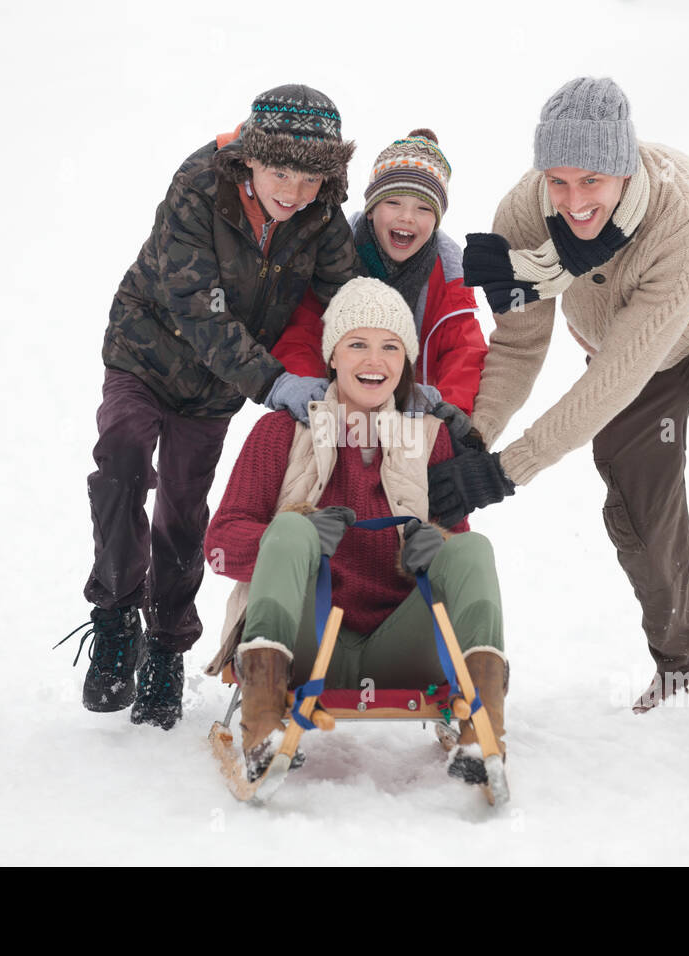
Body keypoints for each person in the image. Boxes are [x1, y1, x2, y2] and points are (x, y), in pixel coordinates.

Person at [433, 77, 689, 747]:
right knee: (635, 486)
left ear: (625, 169)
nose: (573, 202)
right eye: (559, 181)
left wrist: (511, 470)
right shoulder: (522, 213)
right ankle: (682, 661)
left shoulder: (686, 216)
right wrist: (472, 444)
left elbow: (625, 371)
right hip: (619, 340)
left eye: (592, 181)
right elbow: (519, 345)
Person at [68, 84, 358, 728]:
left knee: (182, 508)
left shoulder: (321, 214)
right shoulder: (199, 186)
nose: (294, 190)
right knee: (120, 458)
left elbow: (345, 296)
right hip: (146, 353)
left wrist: (373, 365)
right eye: (280, 171)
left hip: (215, 391)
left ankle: (167, 648)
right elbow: (197, 305)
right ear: (250, 161)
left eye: (311, 177)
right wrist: (274, 381)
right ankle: (115, 615)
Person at [203, 278, 508, 784]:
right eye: (358, 344)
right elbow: (217, 547)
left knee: (472, 548)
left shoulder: (429, 438)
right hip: (300, 642)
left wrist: (436, 545)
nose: (375, 361)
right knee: (290, 529)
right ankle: (261, 724)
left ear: (406, 362)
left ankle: (485, 730)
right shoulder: (279, 431)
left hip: (401, 648)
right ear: (333, 357)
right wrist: (295, 542)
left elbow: (458, 562)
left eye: (391, 347)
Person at [267, 129, 487, 416]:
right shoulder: (335, 255)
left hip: (409, 413)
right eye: (393, 203)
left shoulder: (448, 275)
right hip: (335, 405)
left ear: (436, 220)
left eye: (423, 208)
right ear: (371, 210)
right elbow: (304, 328)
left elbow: (463, 352)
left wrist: (449, 411)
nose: (406, 217)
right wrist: (310, 390)